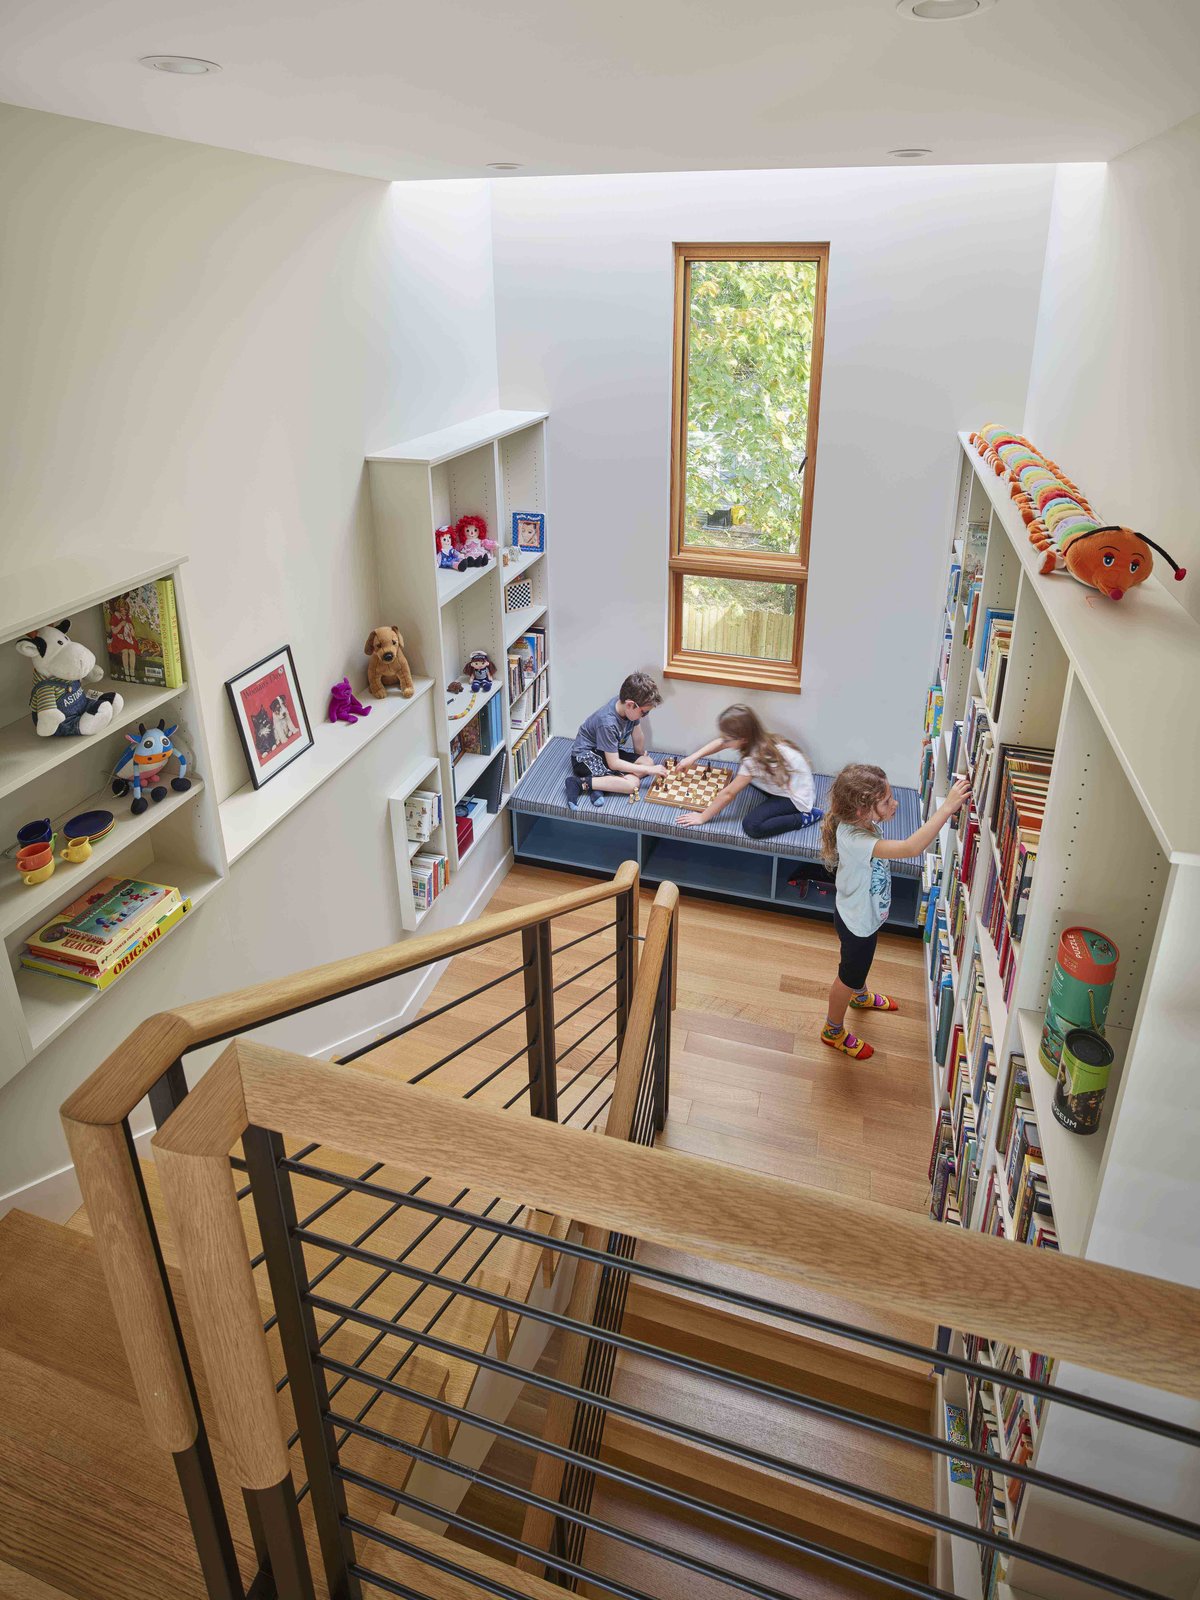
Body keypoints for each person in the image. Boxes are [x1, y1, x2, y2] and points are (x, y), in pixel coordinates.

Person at [819, 765, 970, 1059]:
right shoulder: (857, 838)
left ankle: (860, 997)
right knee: (848, 975)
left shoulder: (861, 823)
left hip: (861, 915)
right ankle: (832, 1029)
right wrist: (949, 806)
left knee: (858, 965)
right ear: (862, 811)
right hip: (857, 922)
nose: (895, 803)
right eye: (887, 801)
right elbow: (911, 848)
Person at [675, 705, 822, 835]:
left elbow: (728, 794)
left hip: (796, 797)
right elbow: (720, 743)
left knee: (752, 826)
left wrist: (702, 817)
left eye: (727, 739)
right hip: (793, 782)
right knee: (741, 778)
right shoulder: (758, 737)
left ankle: (805, 817)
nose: (723, 741)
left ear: (743, 739)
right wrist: (692, 758)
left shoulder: (753, 760)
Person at [566, 672, 667, 809]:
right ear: (631, 705)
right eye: (644, 712)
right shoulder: (607, 723)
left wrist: (641, 759)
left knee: (648, 762)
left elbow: (638, 736)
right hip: (585, 757)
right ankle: (579, 783)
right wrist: (646, 771)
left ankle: (601, 785)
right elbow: (614, 763)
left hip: (605, 752)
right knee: (633, 784)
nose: (644, 716)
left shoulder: (626, 708)